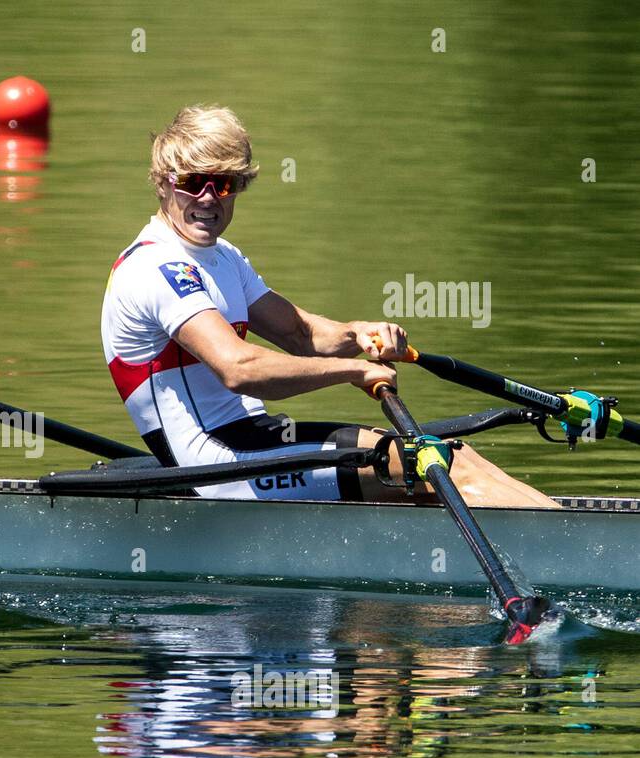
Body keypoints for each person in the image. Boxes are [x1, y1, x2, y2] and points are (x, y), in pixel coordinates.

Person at [100, 104, 556, 508]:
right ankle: (570, 560)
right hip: (217, 471)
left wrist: (358, 333)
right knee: (432, 465)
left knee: (448, 454)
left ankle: (555, 543)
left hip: (254, 442)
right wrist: (353, 372)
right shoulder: (156, 267)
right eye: (193, 183)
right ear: (162, 184)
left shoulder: (223, 258)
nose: (208, 199)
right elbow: (240, 368)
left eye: (223, 184)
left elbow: (301, 335)